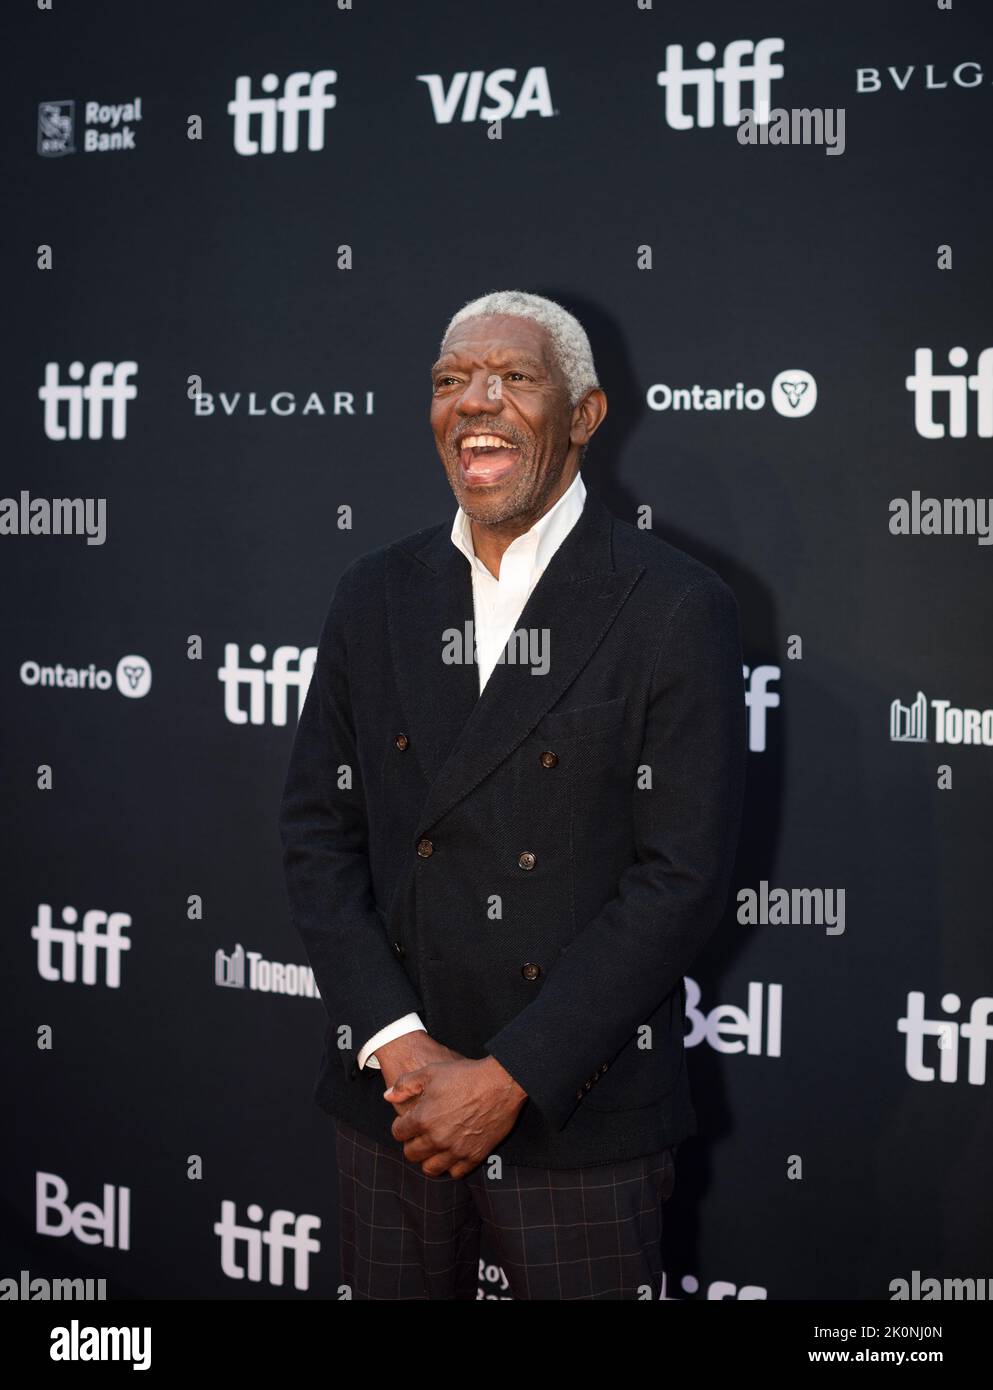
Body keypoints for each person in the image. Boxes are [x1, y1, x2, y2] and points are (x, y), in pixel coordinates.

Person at [279, 289, 747, 1300]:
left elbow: (682, 877)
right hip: (393, 1111)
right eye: (451, 382)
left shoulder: (673, 604)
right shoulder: (375, 590)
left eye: (514, 378)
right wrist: (403, 1051)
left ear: (585, 415)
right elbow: (318, 829)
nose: (475, 403)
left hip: (577, 1116)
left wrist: (505, 1080)